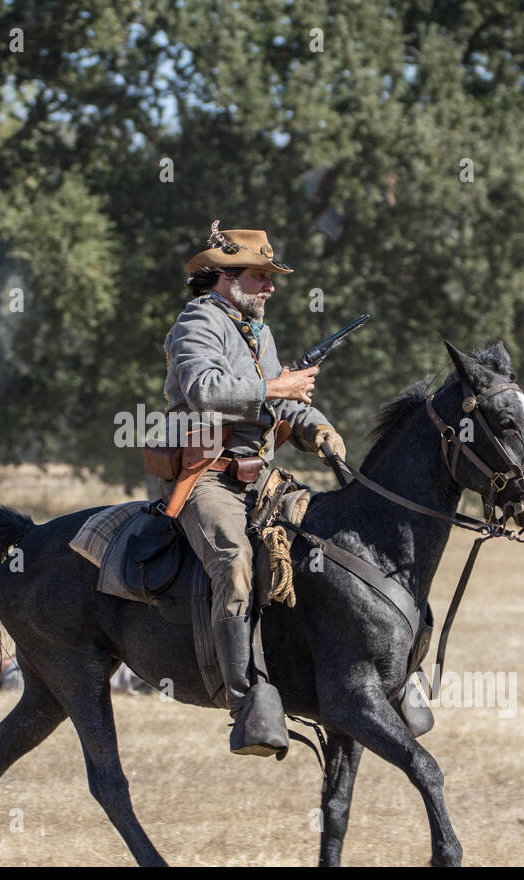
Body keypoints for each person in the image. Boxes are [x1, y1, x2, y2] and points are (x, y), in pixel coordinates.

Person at [162, 222, 346, 756]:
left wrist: (318, 428)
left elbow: (282, 404)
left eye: (270, 276)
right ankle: (245, 703)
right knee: (235, 565)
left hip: (261, 473)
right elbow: (203, 391)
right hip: (208, 474)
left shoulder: (258, 333)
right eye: (259, 275)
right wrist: (277, 385)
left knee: (331, 543)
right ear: (225, 277)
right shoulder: (197, 321)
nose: (270, 286)